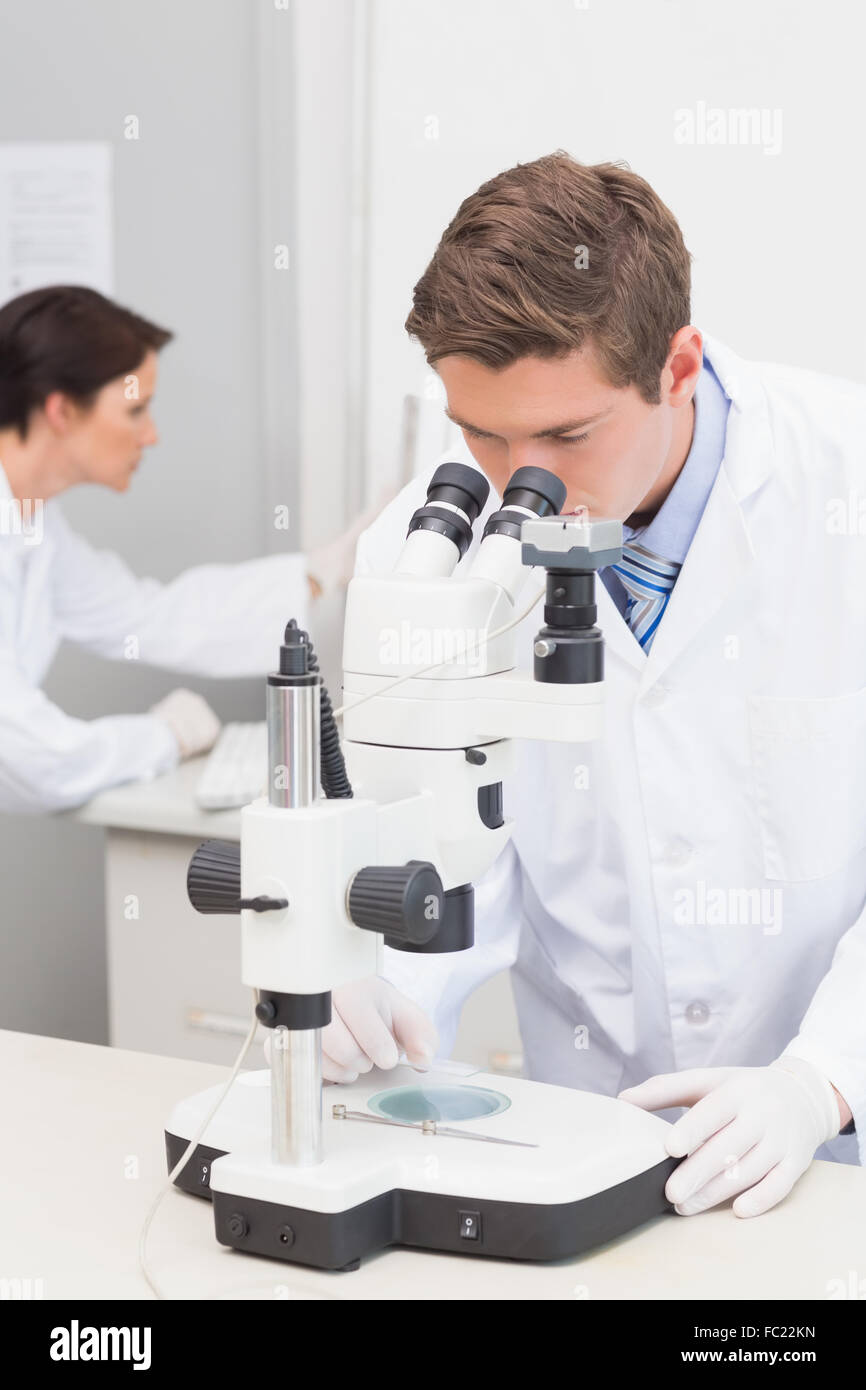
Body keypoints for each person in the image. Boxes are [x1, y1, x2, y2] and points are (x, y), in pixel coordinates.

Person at [318, 152, 866, 1221]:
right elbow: (447, 849)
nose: (524, 487)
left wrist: (821, 1079)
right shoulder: (424, 561)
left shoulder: (839, 485)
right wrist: (371, 977)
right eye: (481, 433)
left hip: (836, 1142)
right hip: (592, 1150)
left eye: (566, 435)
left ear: (675, 365)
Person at [0, 285, 381, 812]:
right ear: (62, 411)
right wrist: (165, 736)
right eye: (136, 410)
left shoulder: (34, 525)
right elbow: (31, 760)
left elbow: (145, 617)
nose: (151, 435)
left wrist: (322, 571)